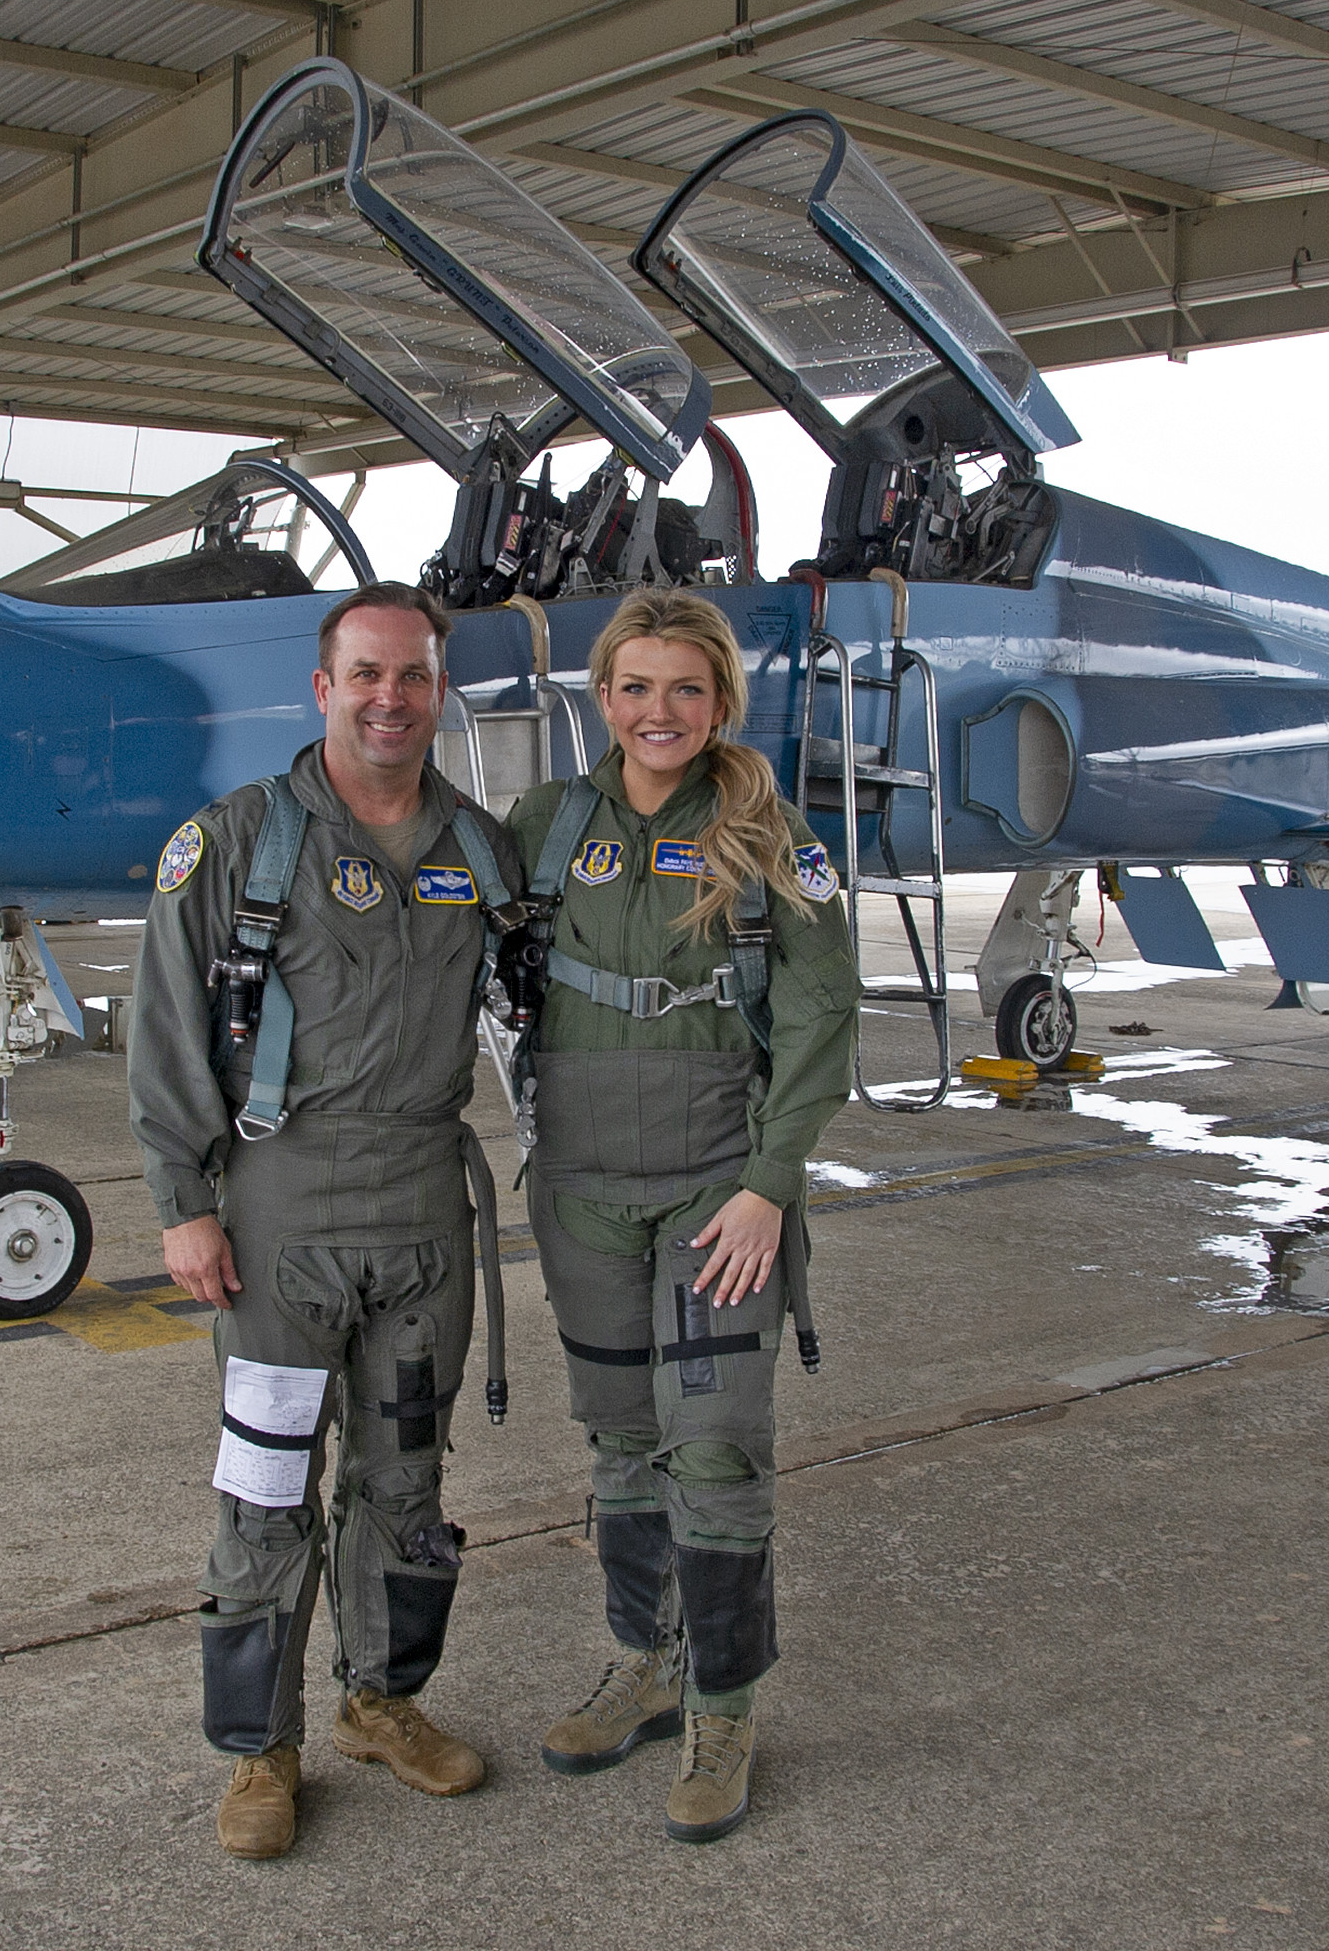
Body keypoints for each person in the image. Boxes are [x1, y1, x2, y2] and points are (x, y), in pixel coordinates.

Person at [129, 582, 528, 1862]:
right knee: (263, 1491)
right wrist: (184, 1205)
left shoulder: (481, 847)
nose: (389, 698)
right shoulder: (240, 840)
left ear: (437, 689)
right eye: (365, 674)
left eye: (412, 676)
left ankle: (382, 1701)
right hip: (279, 1208)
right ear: (323, 687)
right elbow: (166, 1029)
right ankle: (260, 1751)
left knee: (406, 1480)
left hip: (422, 1208)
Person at [507, 588, 858, 1843]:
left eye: (687, 690)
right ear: (602, 698)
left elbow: (822, 1019)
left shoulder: (774, 840)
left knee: (712, 1443)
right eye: (637, 688)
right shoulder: (545, 827)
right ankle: (640, 1663)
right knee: (617, 1443)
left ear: (721, 705)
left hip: (721, 1189)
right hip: (585, 1190)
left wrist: (772, 1183)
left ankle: (725, 1703)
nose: (661, 713)